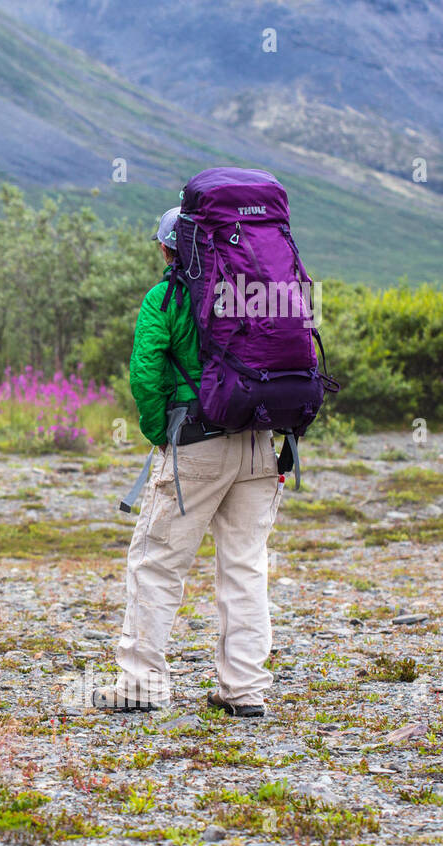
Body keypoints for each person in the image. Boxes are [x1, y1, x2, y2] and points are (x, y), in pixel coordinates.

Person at [93, 206, 283, 718]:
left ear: (166, 249)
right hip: (260, 443)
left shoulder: (166, 297)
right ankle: (243, 690)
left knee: (157, 564)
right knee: (245, 567)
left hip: (195, 443)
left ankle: (142, 684)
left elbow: (145, 372)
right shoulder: (256, 291)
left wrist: (159, 433)